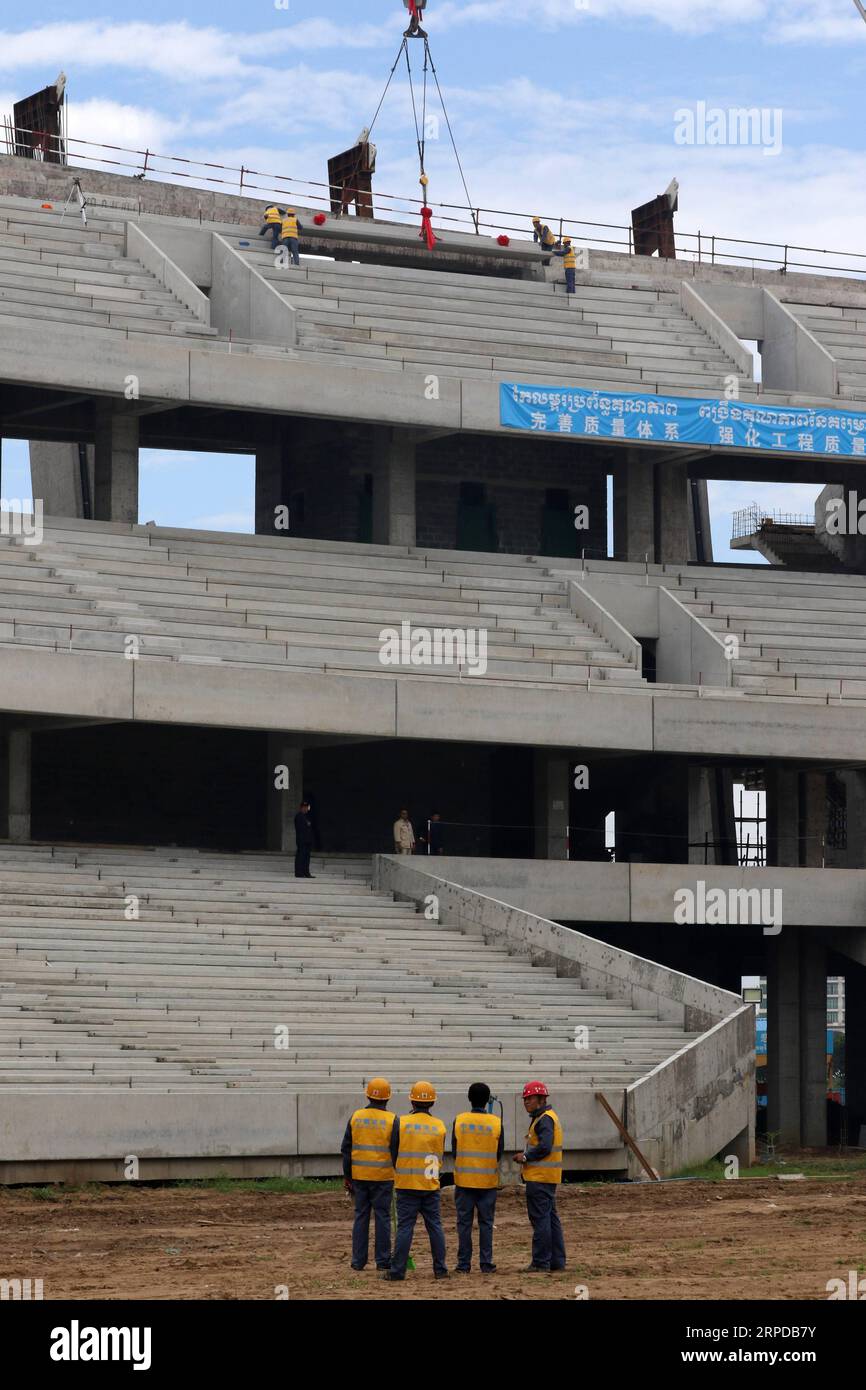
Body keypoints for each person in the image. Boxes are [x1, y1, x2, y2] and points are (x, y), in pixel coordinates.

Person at [382, 1080, 448, 1281]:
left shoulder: (400, 1122)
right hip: (430, 1184)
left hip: (407, 1184)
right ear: (433, 1103)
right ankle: (441, 1270)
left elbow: (394, 1151)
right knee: (435, 1226)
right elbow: (440, 1152)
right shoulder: (439, 1126)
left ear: (412, 1101)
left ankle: (397, 1271)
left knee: (405, 1228)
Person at [341, 1078, 396, 1272]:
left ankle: (358, 1261)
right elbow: (396, 1150)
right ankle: (383, 1261)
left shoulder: (356, 1117)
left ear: (368, 1095)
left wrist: (348, 1177)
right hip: (383, 1177)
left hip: (360, 1177)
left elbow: (346, 1149)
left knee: (361, 1216)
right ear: (387, 1098)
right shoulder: (392, 1119)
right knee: (383, 1217)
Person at [513, 1080, 566, 1272]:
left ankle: (540, 1262)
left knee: (540, 1220)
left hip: (539, 1178)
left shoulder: (544, 1119)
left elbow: (545, 1146)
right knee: (551, 1219)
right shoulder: (547, 1117)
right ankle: (557, 1262)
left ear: (541, 1099)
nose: (526, 1102)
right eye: (525, 1099)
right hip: (548, 1177)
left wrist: (525, 1156)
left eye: (530, 1098)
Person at [452, 1082, 503, 1275]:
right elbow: (499, 1153)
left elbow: (455, 1151)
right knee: (486, 1224)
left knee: (464, 1224)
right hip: (487, 1183)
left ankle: (463, 1264)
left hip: (464, 1182)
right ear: (487, 1099)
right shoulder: (496, 1122)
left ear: (469, 1098)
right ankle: (486, 1263)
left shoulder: (460, 1120)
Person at [294, 800, 315, 879]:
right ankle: (299, 873)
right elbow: (301, 829)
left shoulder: (307, 816)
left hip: (308, 841)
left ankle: (306, 873)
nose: (305, 809)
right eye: (304, 807)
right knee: (300, 857)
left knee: (306, 857)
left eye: (306, 807)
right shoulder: (299, 816)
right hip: (302, 841)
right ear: (301, 808)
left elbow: (309, 828)